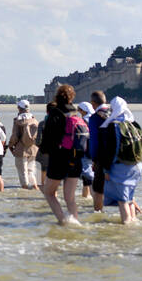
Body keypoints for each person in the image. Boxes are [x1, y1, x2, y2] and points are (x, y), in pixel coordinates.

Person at [40, 83, 85, 226]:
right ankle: (75, 222)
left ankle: (64, 221)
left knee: (49, 192)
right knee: (70, 198)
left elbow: (47, 137)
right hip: (76, 159)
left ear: (57, 96)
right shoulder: (76, 114)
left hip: (59, 158)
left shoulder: (55, 112)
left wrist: (44, 151)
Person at [96, 96, 142, 224]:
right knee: (129, 198)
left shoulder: (113, 126)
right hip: (136, 166)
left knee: (122, 200)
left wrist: (106, 169)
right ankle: (133, 221)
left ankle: (126, 224)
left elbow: (110, 150)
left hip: (120, 167)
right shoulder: (134, 124)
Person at [8, 99, 39, 190]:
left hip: (21, 150)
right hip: (33, 149)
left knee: (23, 172)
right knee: (31, 171)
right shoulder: (34, 120)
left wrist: (10, 145)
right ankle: (35, 189)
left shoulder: (18, 120)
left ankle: (25, 190)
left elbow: (15, 136)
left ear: (19, 108)